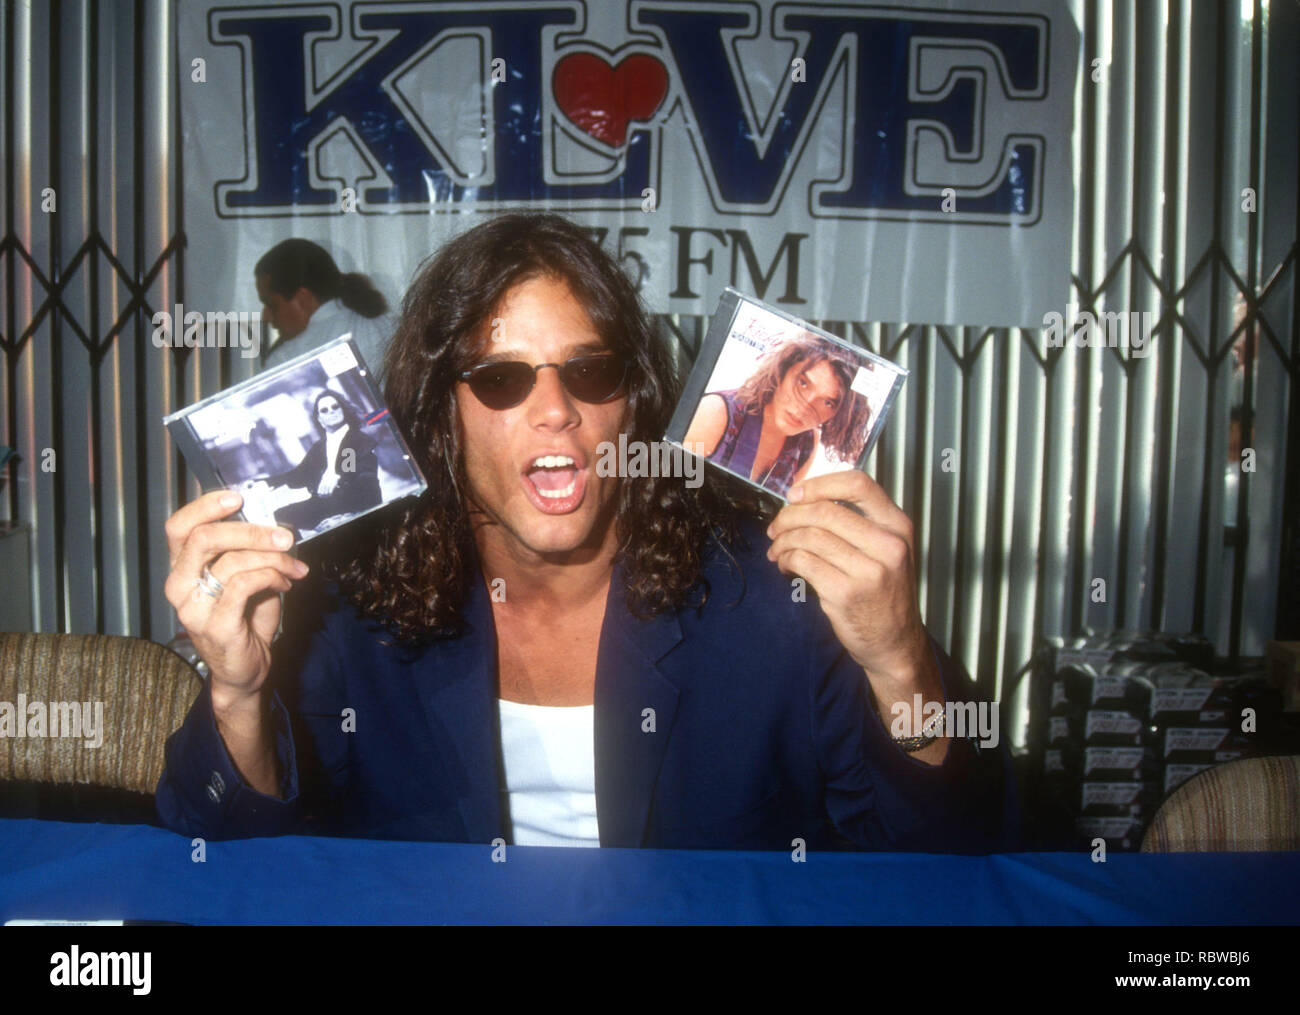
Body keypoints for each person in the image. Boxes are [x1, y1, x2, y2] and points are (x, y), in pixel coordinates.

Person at [157, 213, 1016, 851]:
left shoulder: (775, 592)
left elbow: (953, 850)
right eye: (499, 379)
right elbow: (229, 858)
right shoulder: (349, 604)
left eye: (590, 370)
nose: (557, 411)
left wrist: (902, 663)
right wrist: (236, 693)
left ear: (635, 401)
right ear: (441, 418)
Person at [684, 333, 872, 498]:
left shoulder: (807, 442)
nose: (804, 408)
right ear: (783, 370)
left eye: (827, 402)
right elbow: (669, 489)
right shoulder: (715, 412)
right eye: (803, 383)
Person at [256, 239, 394, 373]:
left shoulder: (285, 362)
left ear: (304, 298)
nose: (266, 317)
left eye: (271, 304)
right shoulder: (387, 327)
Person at [262, 390, 382, 538]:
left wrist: (337, 477)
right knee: (280, 516)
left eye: (335, 407)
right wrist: (265, 483)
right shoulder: (319, 446)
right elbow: (299, 474)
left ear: (343, 410)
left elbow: (348, 467)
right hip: (326, 502)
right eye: (324, 410)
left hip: (352, 499)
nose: (331, 411)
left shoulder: (355, 437)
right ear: (320, 419)